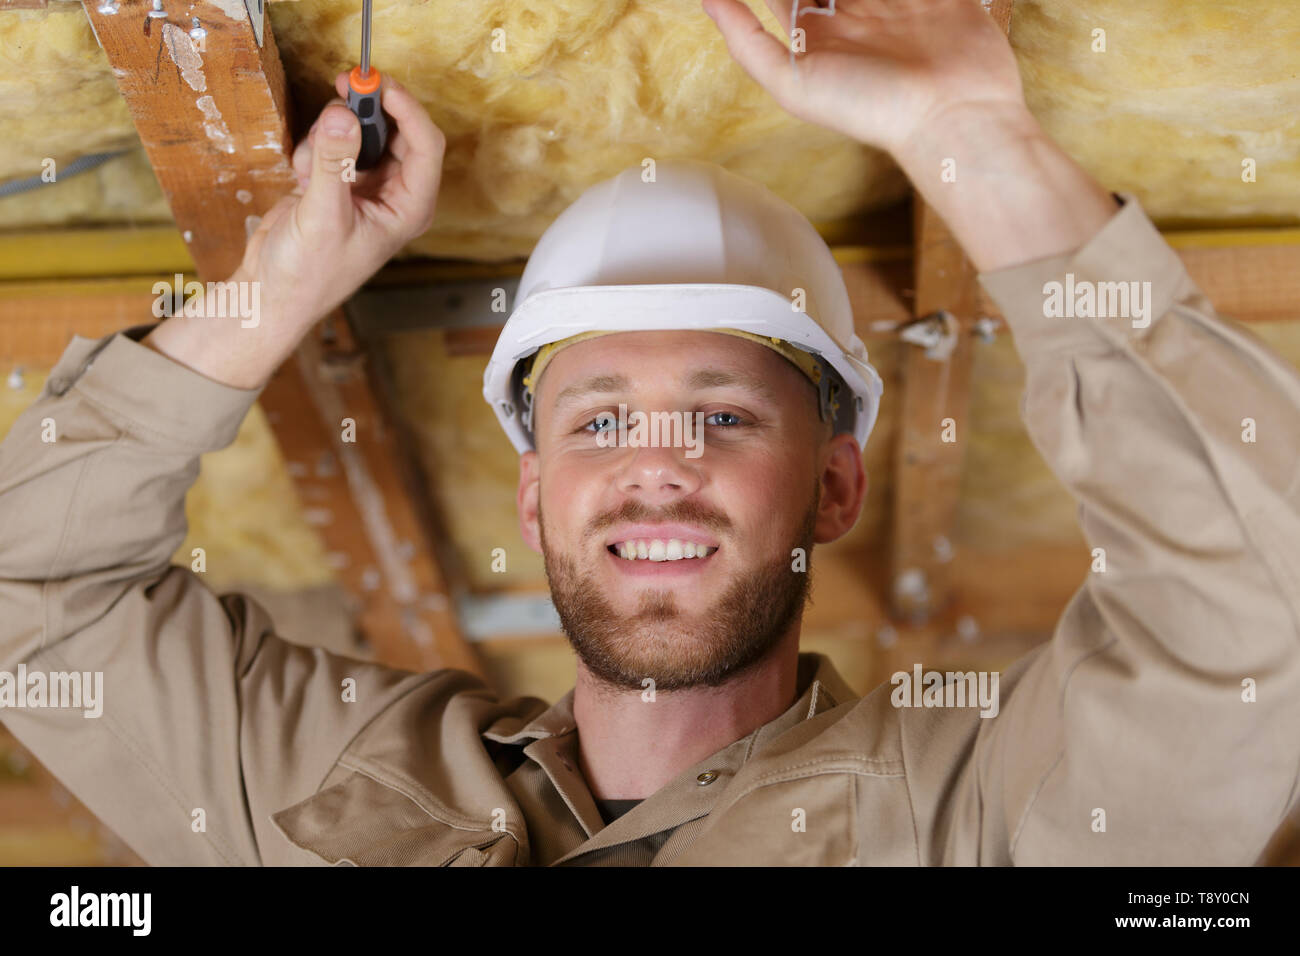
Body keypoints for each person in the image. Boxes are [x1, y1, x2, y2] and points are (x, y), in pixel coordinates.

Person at [1, 0, 1297, 866]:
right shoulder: (344, 783)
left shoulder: (975, 820)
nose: (655, 466)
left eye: (725, 416)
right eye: (601, 417)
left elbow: (1259, 608)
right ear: (531, 498)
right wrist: (275, 289)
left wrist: (972, 136)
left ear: (835, 486)